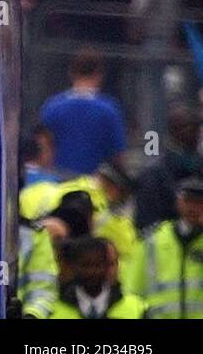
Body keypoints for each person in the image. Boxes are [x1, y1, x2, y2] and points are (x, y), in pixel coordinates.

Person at [38, 47, 127, 175]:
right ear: (99, 74)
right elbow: (118, 156)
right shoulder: (108, 110)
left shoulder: (52, 107)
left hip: (57, 184)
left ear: (71, 72)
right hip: (94, 186)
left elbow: (42, 151)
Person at [128, 176, 203, 319]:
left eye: (200, 203)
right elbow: (132, 290)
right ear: (178, 202)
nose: (194, 208)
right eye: (189, 201)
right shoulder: (152, 240)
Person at [135, 102, 203, 229]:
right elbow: (147, 223)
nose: (195, 134)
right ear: (173, 131)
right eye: (188, 128)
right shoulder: (155, 175)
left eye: (197, 128)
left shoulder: (199, 166)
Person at [50, 236, 146, 319]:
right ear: (73, 267)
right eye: (85, 265)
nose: (92, 272)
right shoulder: (51, 310)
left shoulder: (137, 308)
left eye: (98, 265)